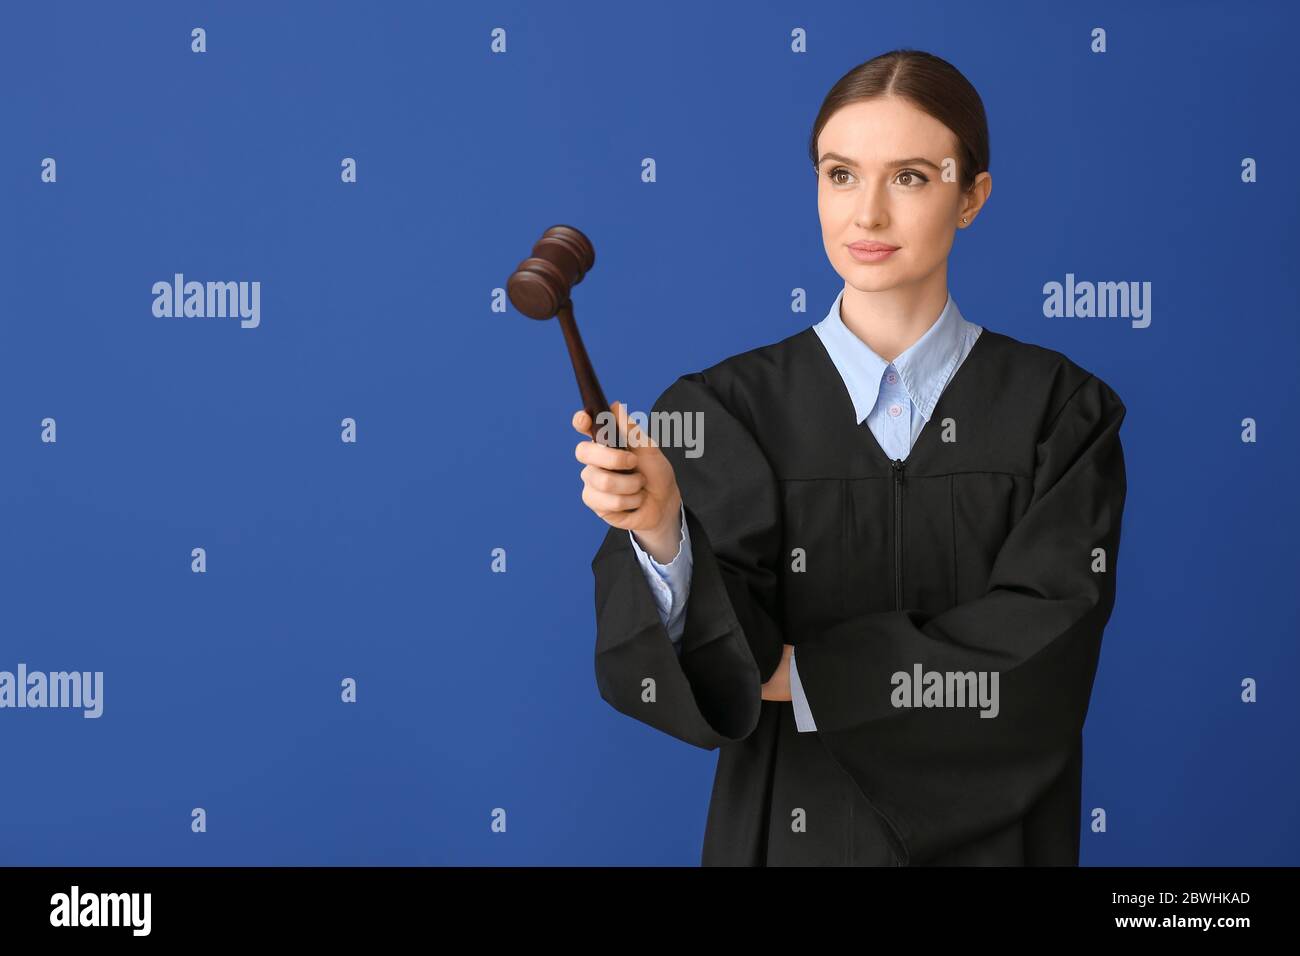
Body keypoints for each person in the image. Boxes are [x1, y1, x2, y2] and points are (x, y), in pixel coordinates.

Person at [572, 48, 1127, 866]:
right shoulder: (722, 410)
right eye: (840, 174)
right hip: (787, 831)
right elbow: (702, 671)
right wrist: (661, 532)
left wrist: (807, 677)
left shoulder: (1060, 412)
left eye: (909, 177)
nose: (866, 214)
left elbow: (1043, 651)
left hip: (998, 847)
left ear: (971, 197)